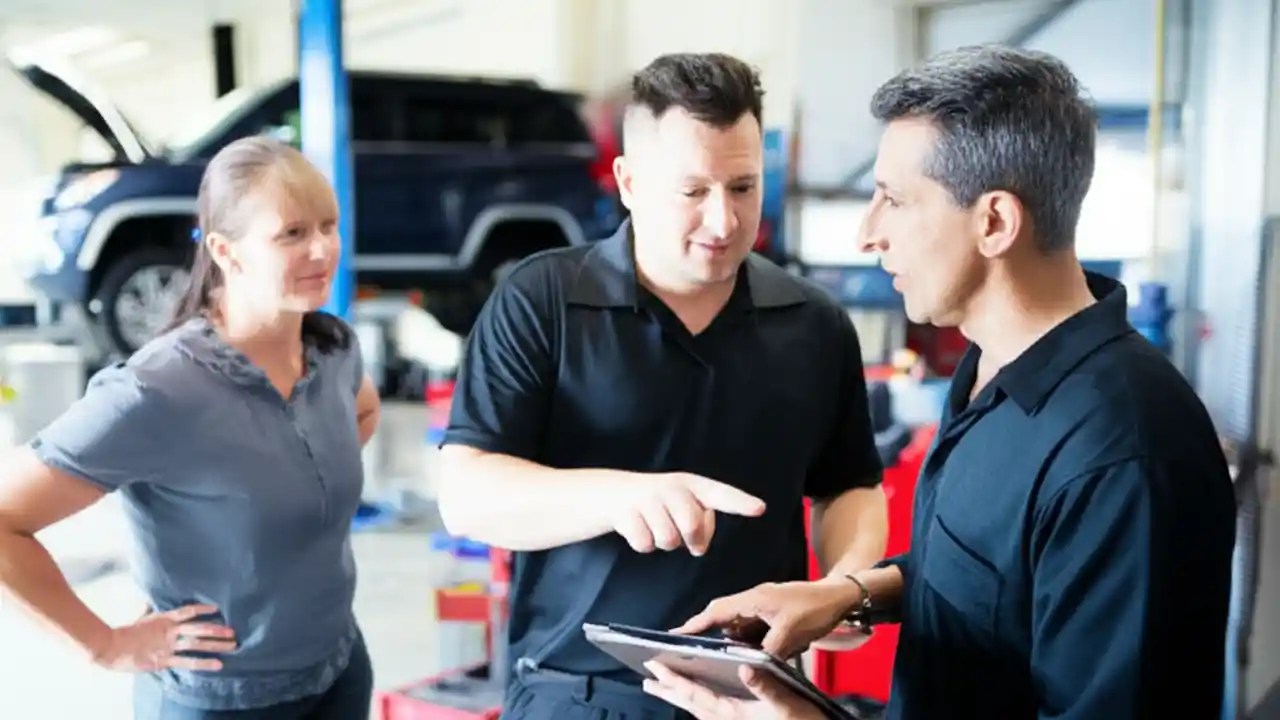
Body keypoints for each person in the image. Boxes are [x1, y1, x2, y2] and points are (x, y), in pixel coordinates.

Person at [645, 44, 1238, 720]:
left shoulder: (1123, 454)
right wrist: (847, 594)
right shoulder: (994, 376)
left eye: (893, 200)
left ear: (994, 222)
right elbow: (988, 575)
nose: (870, 233)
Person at [437, 51, 888, 720]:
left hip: (755, 695)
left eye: (742, 188)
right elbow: (468, 495)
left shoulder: (813, 323)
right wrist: (621, 496)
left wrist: (845, 584)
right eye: (693, 191)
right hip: (581, 690)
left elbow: (849, 484)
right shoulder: (543, 302)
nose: (724, 221)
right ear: (627, 181)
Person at [0, 135, 381, 719]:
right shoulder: (158, 390)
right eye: (292, 234)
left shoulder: (332, 349)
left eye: (328, 226)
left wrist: (293, 477)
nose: (322, 249)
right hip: (221, 702)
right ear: (226, 252)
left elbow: (362, 412)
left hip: (338, 671)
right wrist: (104, 644)